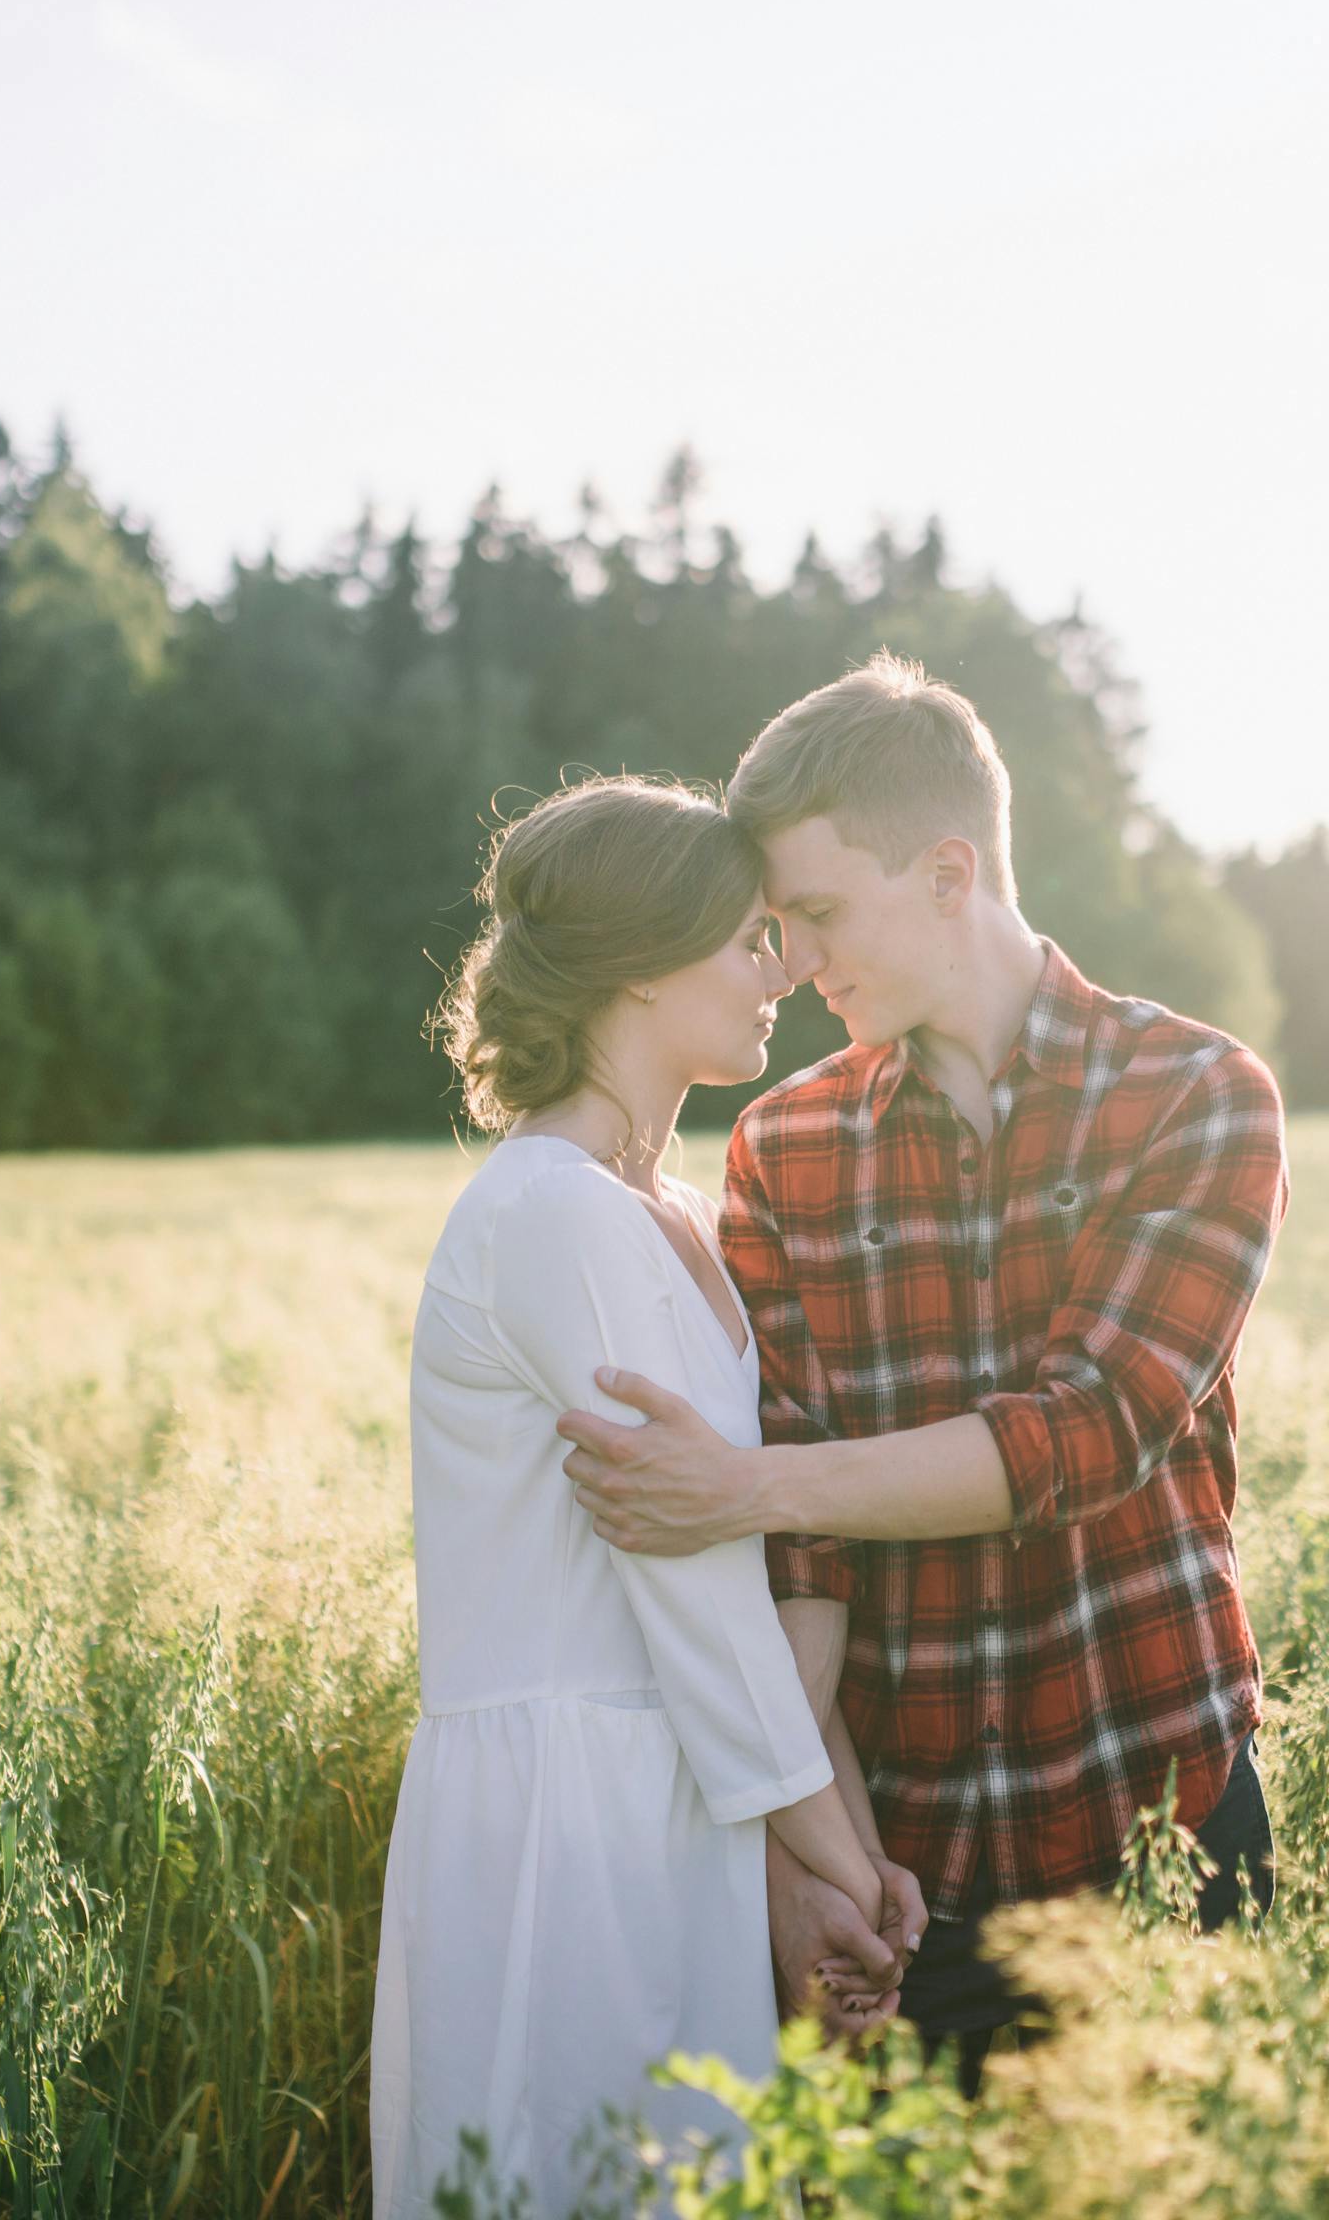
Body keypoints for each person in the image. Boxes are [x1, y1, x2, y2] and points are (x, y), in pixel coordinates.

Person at [558, 656, 1290, 2083]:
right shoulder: (786, 1145)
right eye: (773, 927)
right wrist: (815, 1857)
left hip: (1163, 1816)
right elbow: (806, 1560)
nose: (790, 962)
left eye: (819, 915)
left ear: (950, 871)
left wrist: (735, 1486)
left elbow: (1089, 1434)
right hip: (909, 1861)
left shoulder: (1199, 1098)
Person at [368, 776, 917, 2219]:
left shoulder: (670, 1213)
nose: (784, 970)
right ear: (632, 965)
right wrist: (836, 1864)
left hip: (684, 1789)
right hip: (565, 1812)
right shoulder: (550, 1209)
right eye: (746, 940)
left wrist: (825, 1857)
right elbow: (679, 1586)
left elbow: (742, 1559)